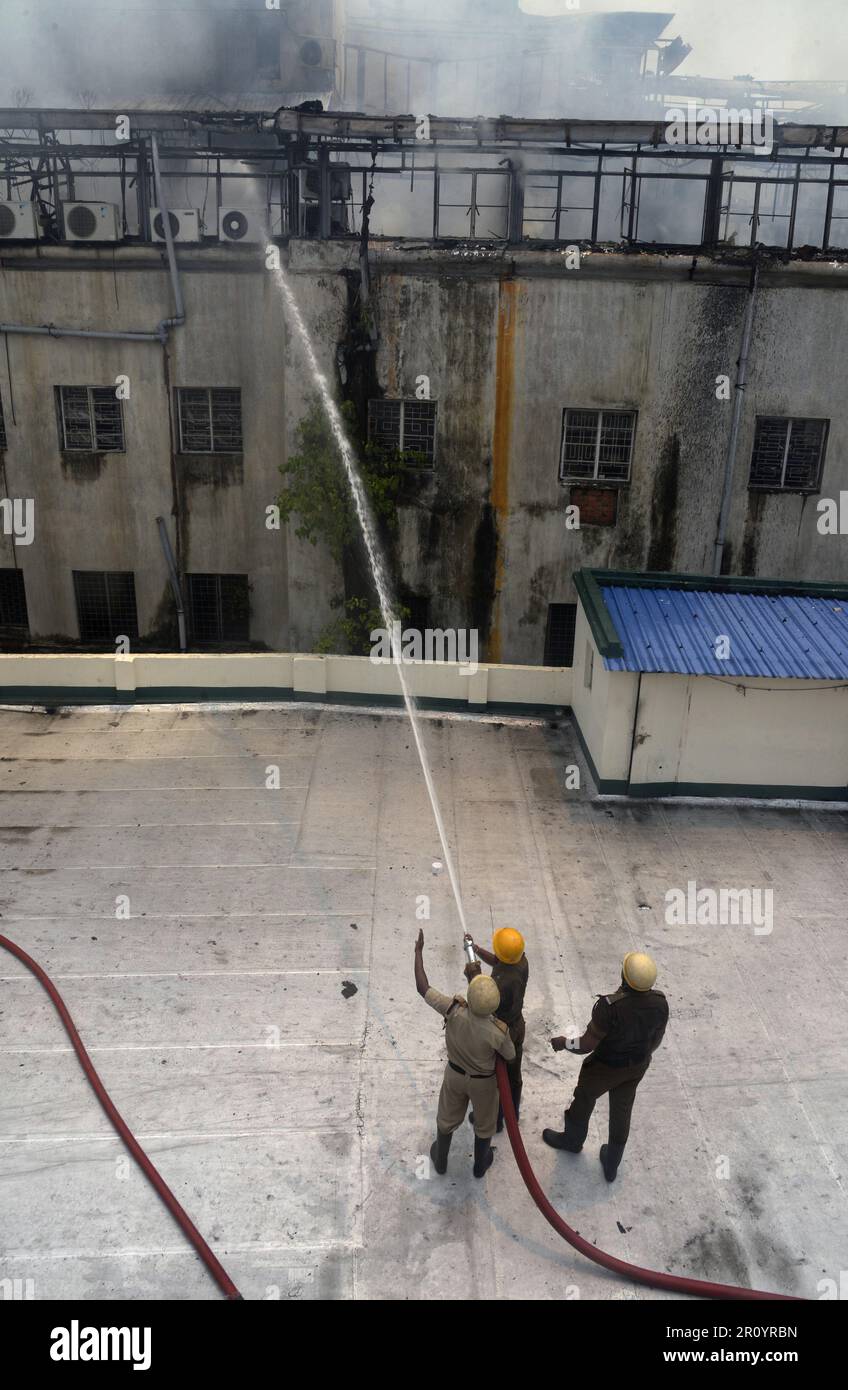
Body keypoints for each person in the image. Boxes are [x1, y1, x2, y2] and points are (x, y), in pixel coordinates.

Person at [542, 951, 668, 1182]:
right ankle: (612, 1163)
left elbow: (586, 1044)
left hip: (604, 1069)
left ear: (624, 977)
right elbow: (656, 1041)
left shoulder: (608, 1007)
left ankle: (572, 1141)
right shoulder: (660, 1003)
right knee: (622, 1112)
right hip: (636, 1067)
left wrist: (563, 1042)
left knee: (584, 1099)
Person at [414, 928, 515, 1178]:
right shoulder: (498, 1031)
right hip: (483, 1083)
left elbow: (422, 987)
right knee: (484, 1125)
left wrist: (418, 952)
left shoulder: (453, 1009)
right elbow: (510, 1056)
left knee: (446, 1119)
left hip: (455, 1076)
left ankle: (440, 1159)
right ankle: (480, 1165)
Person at [463, 927, 528, 1129]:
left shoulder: (502, 983)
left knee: (495, 1078)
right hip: (518, 1025)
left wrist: (473, 976)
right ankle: (512, 1114)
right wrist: (477, 949)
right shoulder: (521, 961)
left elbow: (482, 998)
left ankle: (496, 1119)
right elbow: (499, 961)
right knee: (514, 1076)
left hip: (501, 1030)